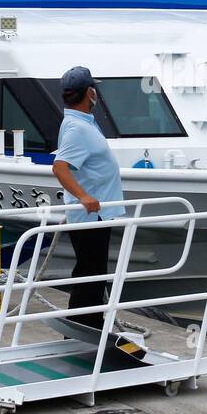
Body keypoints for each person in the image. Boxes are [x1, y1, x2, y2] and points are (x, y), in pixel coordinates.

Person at [51, 67, 124, 330]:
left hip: (97, 213)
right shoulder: (77, 128)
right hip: (90, 214)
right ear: (90, 92)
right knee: (90, 271)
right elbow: (60, 166)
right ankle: (84, 325)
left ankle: (87, 323)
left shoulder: (81, 123)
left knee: (92, 271)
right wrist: (84, 196)